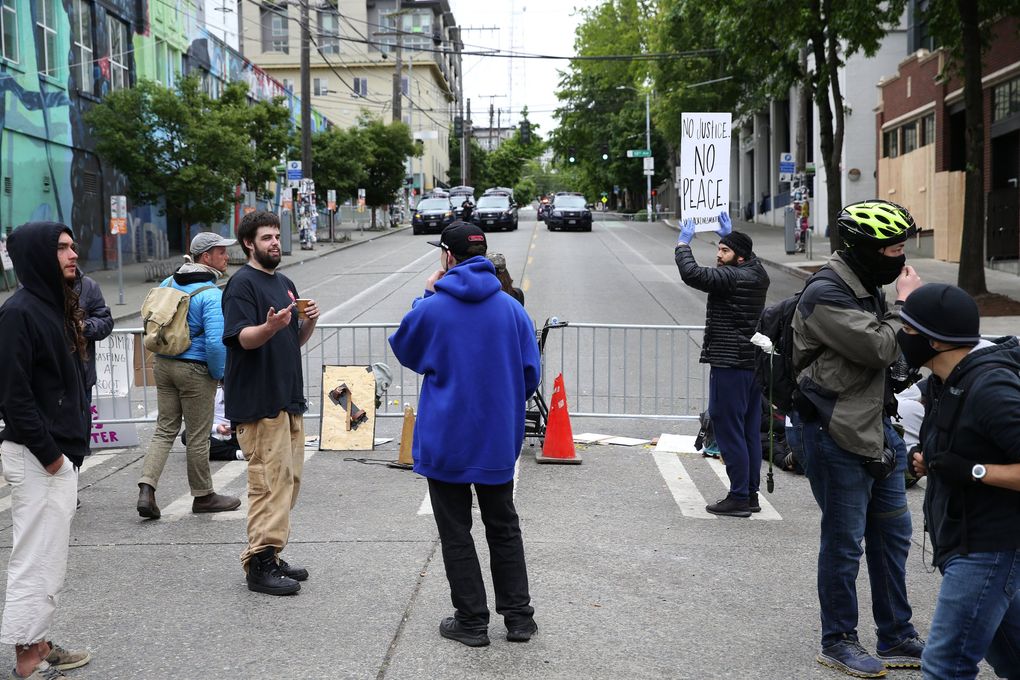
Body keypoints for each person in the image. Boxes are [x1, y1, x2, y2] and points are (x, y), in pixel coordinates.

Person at [389, 221, 541, 647]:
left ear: (448, 256)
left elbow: (406, 348)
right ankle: (519, 618)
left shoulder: (434, 307)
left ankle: (472, 621)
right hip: (496, 438)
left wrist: (427, 294)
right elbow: (530, 375)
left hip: (447, 439)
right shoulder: (512, 309)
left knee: (456, 530)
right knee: (503, 526)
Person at [791, 200, 925, 677]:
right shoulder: (826, 293)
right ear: (863, 249)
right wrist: (906, 305)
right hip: (833, 432)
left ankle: (896, 635)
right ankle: (838, 639)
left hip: (876, 429)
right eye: (891, 249)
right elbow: (880, 346)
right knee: (844, 542)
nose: (900, 257)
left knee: (892, 536)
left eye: (902, 247)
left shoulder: (865, 286)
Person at [897, 284, 1020, 680]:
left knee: (945, 666)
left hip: (988, 546)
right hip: (961, 538)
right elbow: (960, 447)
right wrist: (931, 462)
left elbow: (971, 464)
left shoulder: (990, 388)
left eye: (908, 330)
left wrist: (972, 470)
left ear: (935, 340)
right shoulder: (944, 380)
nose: (901, 337)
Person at [0, 222, 92, 679]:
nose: (73, 254)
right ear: (38, 255)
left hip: (55, 455)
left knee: (47, 558)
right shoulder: (19, 313)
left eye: (72, 246)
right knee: (35, 558)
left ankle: (37, 642)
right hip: (38, 457)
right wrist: (51, 455)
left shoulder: (50, 305)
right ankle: (27, 657)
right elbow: (13, 395)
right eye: (61, 248)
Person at [222, 210, 320, 596]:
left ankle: (272, 553)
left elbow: (292, 339)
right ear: (249, 244)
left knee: (287, 484)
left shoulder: (284, 282)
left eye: (277, 236)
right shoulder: (241, 285)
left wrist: (308, 322)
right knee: (267, 485)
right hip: (259, 403)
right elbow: (241, 338)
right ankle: (258, 564)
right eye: (266, 237)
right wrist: (268, 327)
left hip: (287, 399)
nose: (275, 243)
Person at [136, 233, 242, 519]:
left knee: (164, 429)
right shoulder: (211, 294)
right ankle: (204, 496)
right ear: (206, 257)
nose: (226, 257)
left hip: (163, 365)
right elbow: (216, 343)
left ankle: (147, 487)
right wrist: (220, 374)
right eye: (221, 252)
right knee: (198, 436)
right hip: (195, 370)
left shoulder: (168, 283)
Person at [675, 211, 770, 517]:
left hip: (730, 363)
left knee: (728, 429)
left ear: (739, 258)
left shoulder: (731, 277)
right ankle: (750, 494)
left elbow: (693, 274)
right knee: (748, 431)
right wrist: (729, 236)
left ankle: (739, 496)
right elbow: (749, 257)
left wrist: (683, 244)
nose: (718, 255)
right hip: (751, 364)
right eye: (718, 249)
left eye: (724, 251)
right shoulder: (757, 272)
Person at [75, 271, 113, 404]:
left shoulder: (88, 286)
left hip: (81, 380)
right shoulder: (33, 286)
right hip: (47, 383)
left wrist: (84, 326)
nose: (73, 259)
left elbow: (105, 322)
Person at [180, 387, 245, 461]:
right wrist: (216, 428)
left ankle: (222, 453)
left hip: (239, 436)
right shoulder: (212, 395)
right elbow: (199, 424)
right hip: (214, 438)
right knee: (187, 434)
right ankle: (238, 454)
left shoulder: (246, 395)